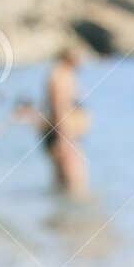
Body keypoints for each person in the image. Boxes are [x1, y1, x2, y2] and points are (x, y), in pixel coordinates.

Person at [42, 45, 90, 197]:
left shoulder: (64, 74)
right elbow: (59, 108)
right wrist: (64, 139)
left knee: (62, 182)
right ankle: (69, 217)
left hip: (65, 135)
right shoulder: (60, 76)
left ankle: (61, 215)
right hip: (64, 135)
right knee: (75, 184)